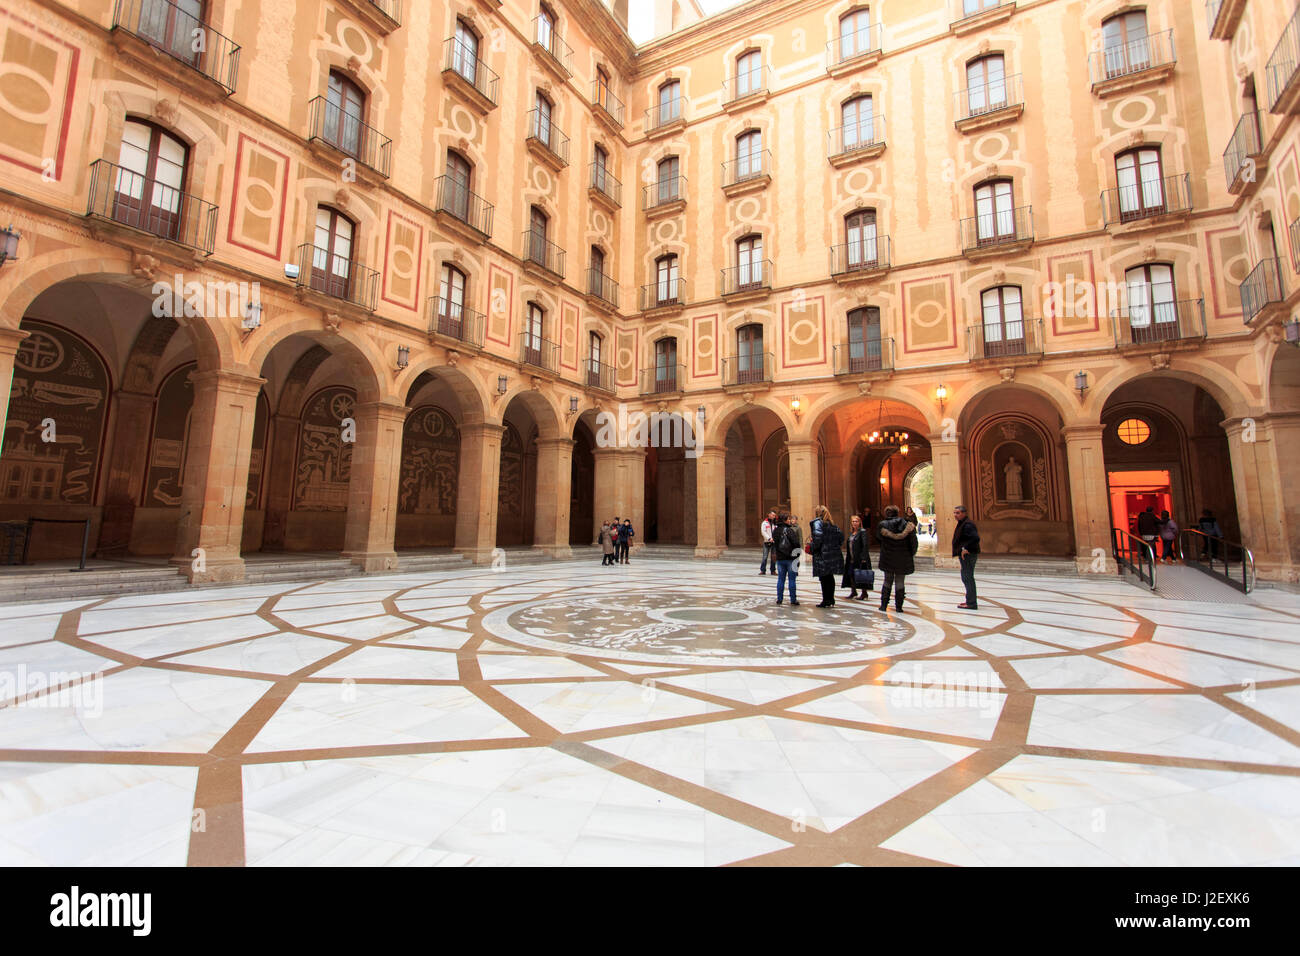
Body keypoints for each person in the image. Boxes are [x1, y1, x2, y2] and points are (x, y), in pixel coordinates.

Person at [876, 505, 916, 613]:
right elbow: (913, 542)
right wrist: (911, 554)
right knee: (900, 581)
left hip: (888, 556)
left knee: (887, 580)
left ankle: (884, 605)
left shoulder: (882, 525)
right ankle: (899, 607)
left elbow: (879, 539)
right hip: (903, 557)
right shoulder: (907, 525)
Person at [809, 505, 845, 608]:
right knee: (829, 577)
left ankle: (826, 600)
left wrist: (813, 547)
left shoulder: (817, 523)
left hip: (822, 554)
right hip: (832, 555)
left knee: (824, 578)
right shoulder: (832, 524)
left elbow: (818, 538)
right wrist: (833, 546)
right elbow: (841, 538)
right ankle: (831, 599)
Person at [952, 504, 980, 609]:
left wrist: (965, 548)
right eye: (954, 513)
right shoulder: (962, 523)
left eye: (958, 513)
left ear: (964, 513)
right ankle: (969, 600)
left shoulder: (968, 524)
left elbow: (975, 538)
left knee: (968, 578)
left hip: (968, 555)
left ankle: (971, 603)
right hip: (966, 555)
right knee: (966, 577)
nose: (955, 515)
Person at [773, 512, 801, 606]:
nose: (790, 520)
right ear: (785, 520)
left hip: (780, 558)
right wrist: (797, 555)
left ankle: (779, 599)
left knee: (781, 579)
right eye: (788, 519)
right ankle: (793, 599)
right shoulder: (789, 530)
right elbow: (796, 543)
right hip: (790, 559)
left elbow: (775, 544)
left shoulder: (776, 531)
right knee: (792, 579)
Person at [842, 513, 872, 600]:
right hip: (851, 558)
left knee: (861, 575)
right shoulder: (852, 533)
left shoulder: (862, 532)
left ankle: (864, 593)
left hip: (859, 558)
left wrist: (863, 557)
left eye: (856, 521)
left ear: (859, 522)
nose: (854, 523)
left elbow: (865, 545)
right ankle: (853, 591)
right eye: (853, 521)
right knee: (851, 574)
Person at [759, 509, 777, 575]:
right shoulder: (764, 523)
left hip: (774, 542)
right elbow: (763, 532)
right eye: (773, 515)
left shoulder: (775, 523)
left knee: (773, 557)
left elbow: (777, 532)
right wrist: (769, 538)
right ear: (769, 515)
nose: (774, 516)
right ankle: (763, 570)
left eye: (774, 515)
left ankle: (773, 570)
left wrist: (775, 539)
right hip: (767, 542)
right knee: (765, 556)